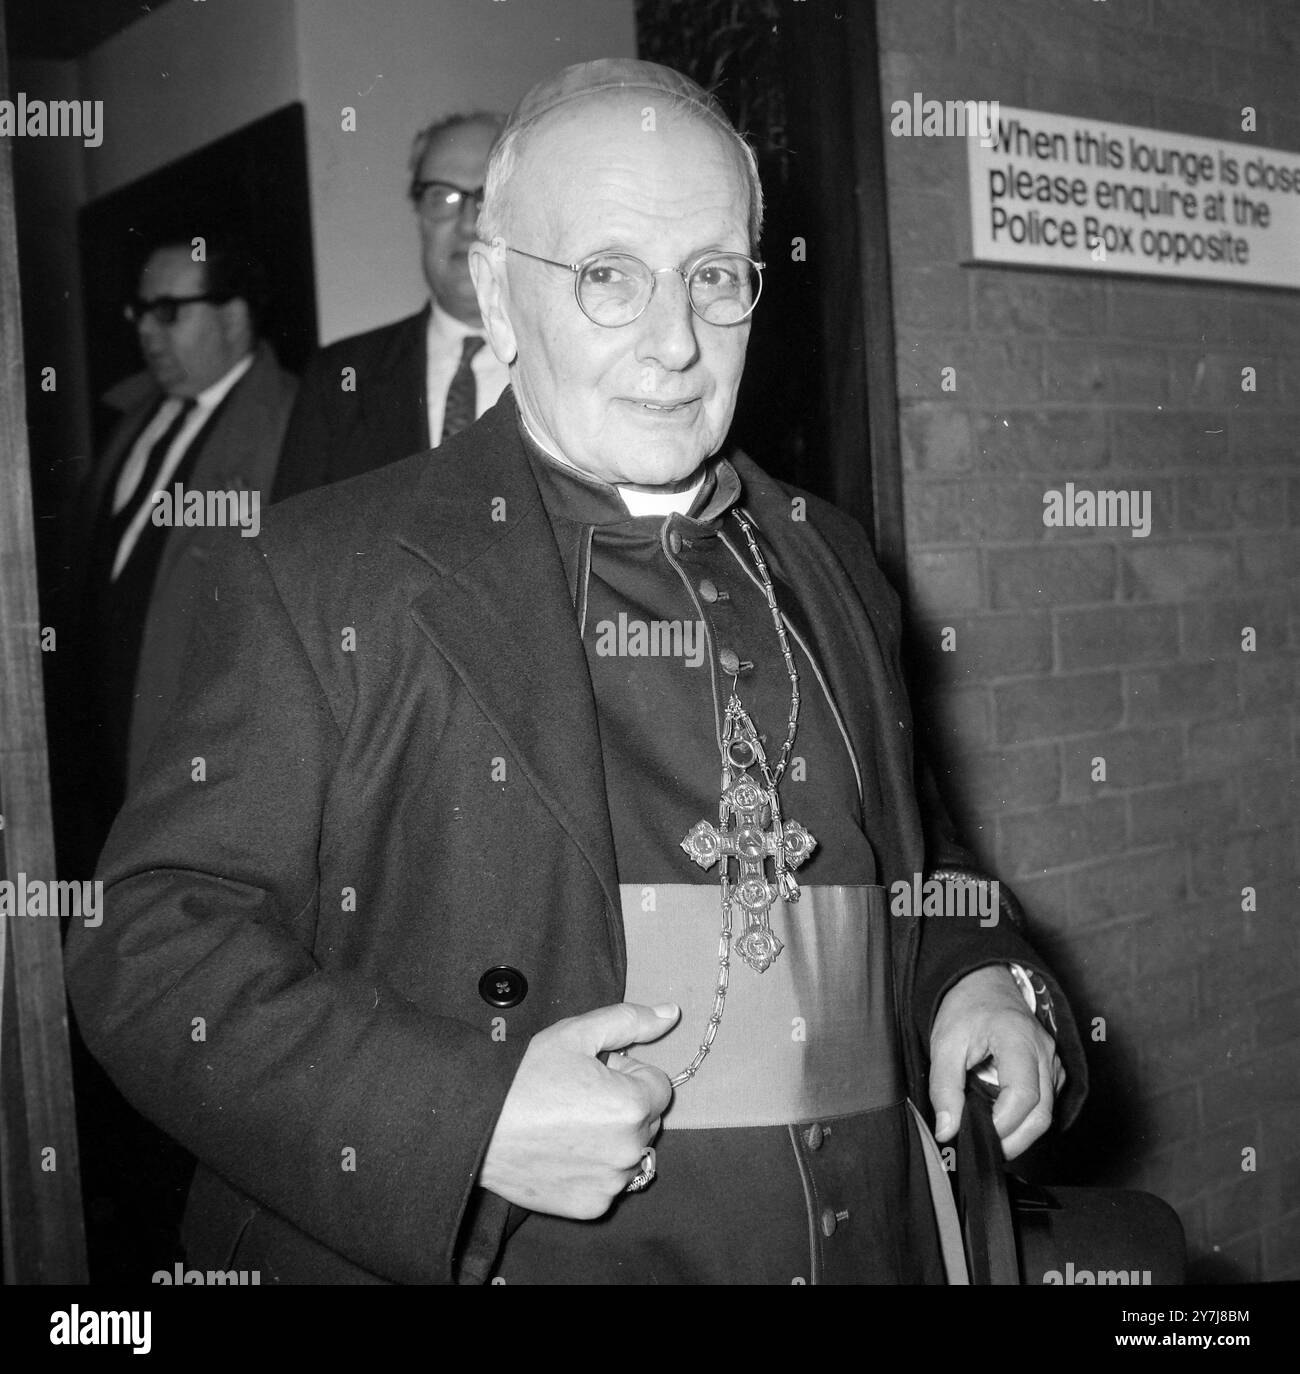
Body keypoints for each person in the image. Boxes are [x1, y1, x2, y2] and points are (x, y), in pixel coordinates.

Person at [66, 60, 1085, 1285]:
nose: (674, 341)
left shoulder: (833, 564)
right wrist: (464, 1119)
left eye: (714, 276)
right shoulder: (319, 574)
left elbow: (916, 872)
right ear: (498, 295)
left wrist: (981, 982)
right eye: (609, 277)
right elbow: (150, 948)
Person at [57, 234, 296, 862]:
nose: (148, 332)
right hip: (98, 757)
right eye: (141, 312)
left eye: (170, 312)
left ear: (235, 315)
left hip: (193, 766)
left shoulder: (291, 424)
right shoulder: (135, 415)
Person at [270, 111, 510, 501]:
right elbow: (289, 546)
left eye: (489, 197)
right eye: (443, 196)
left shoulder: (572, 367)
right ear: (419, 215)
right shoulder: (339, 379)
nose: (469, 223)